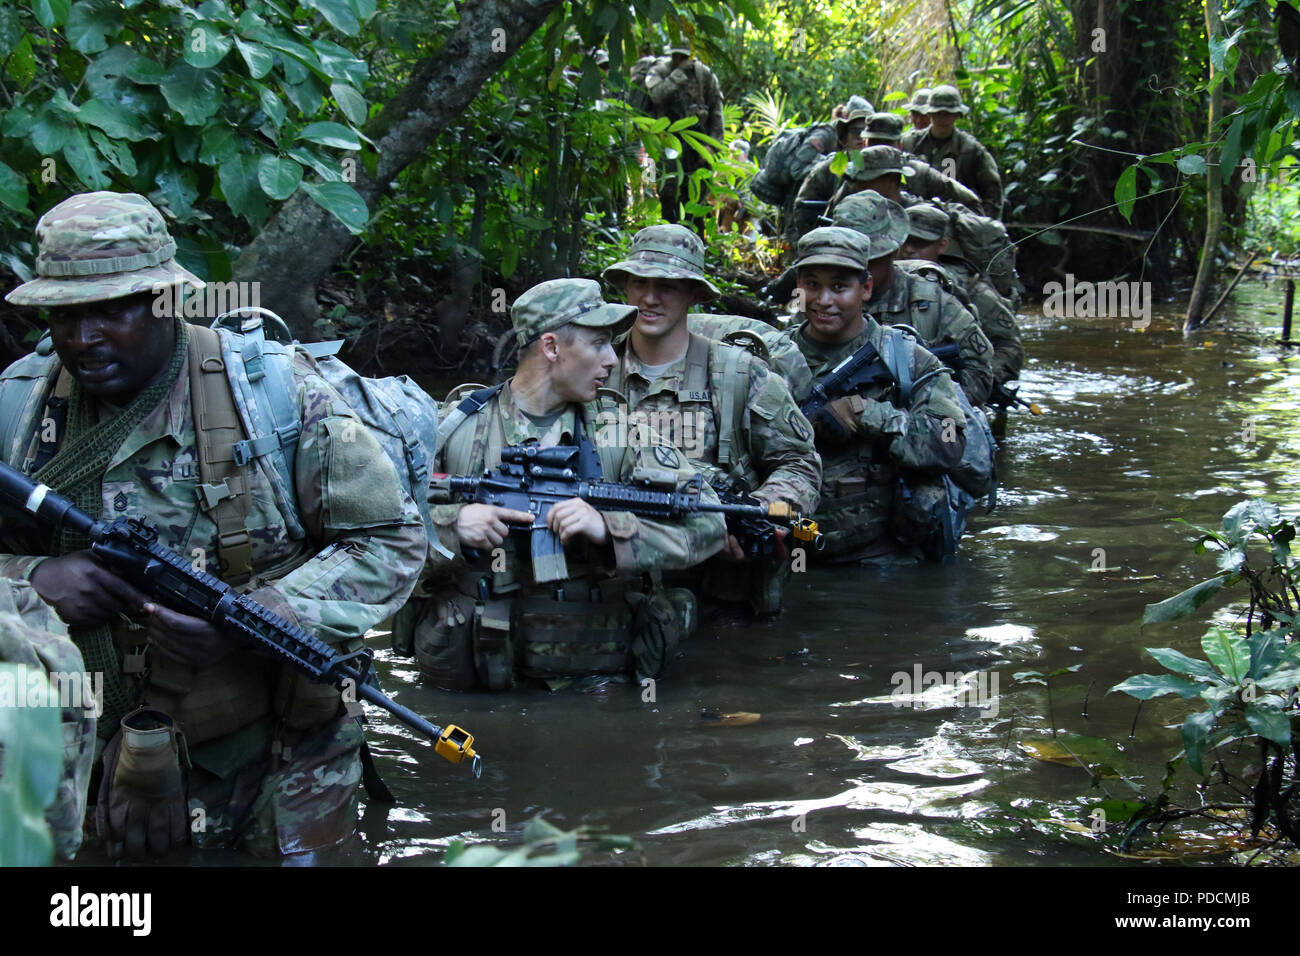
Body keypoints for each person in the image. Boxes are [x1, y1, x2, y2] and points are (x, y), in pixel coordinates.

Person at [0, 191, 428, 859]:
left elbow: (392, 539)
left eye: (110, 311)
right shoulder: (18, 408)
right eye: (64, 314)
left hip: (268, 763)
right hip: (76, 769)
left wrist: (260, 616)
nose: (82, 339)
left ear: (164, 302)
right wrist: (33, 578)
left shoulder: (276, 393)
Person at [413, 278, 726, 690]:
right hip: (479, 677)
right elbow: (373, 534)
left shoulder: (623, 435)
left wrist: (611, 531)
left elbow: (712, 525)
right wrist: (452, 526)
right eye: (598, 343)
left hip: (600, 681)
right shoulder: (453, 428)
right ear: (551, 347)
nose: (612, 359)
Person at [601, 225, 821, 616]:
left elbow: (798, 462)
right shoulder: (595, 368)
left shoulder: (738, 374)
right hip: (621, 591)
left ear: (694, 294)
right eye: (639, 283)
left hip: (722, 593)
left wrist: (760, 514)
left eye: (667, 286)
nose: (649, 298)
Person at [787, 227, 967, 563]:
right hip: (792, 549)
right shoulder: (772, 357)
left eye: (839, 286)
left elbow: (950, 445)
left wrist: (865, 413)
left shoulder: (907, 359)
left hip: (882, 556)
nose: (824, 300)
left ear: (866, 288)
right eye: (812, 285)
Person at [830, 191, 995, 406]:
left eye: (868, 259)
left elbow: (980, 375)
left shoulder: (934, 302)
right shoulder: (822, 302)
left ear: (893, 251)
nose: (856, 269)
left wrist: (915, 403)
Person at [900, 203, 1024, 388]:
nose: (909, 249)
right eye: (905, 240)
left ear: (942, 245)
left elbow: (1009, 344)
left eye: (920, 243)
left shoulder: (970, 288)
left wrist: (985, 378)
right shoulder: (882, 281)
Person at [644, 47, 725, 228]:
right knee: (668, 197)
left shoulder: (704, 75)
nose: (681, 59)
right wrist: (678, 74)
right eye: (677, 56)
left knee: (695, 201)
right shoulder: (660, 71)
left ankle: (696, 243)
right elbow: (656, 96)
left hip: (697, 147)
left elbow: (716, 112)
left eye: (685, 56)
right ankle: (667, 240)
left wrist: (711, 147)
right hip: (666, 143)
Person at [899, 84, 1003, 219]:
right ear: (929, 114)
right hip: (914, 219)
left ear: (957, 115)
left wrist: (986, 227)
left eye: (947, 114)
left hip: (957, 221)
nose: (942, 119)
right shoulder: (909, 143)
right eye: (937, 114)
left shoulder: (971, 150)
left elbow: (993, 195)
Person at [863, 115, 986, 215]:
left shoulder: (919, 173)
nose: (880, 149)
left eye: (887, 143)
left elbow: (970, 202)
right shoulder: (856, 175)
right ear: (864, 144)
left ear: (900, 146)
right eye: (874, 142)